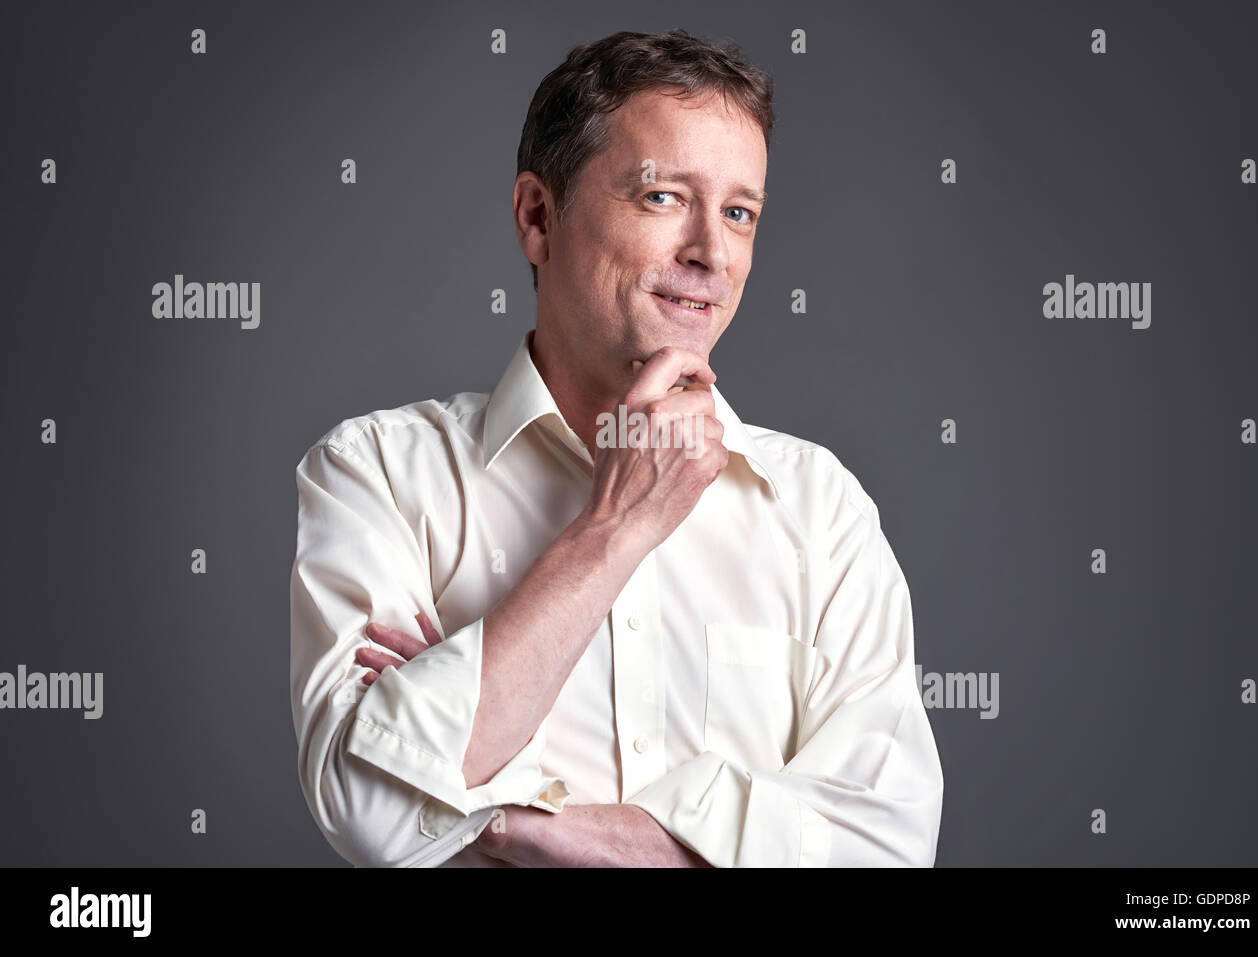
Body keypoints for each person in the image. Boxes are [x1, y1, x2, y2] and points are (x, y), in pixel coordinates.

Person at [289, 28, 943, 867]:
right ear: (537, 216)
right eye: (664, 196)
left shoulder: (823, 509)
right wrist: (616, 528)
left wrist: (509, 813)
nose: (710, 251)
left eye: (740, 212)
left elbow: (886, 844)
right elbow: (372, 807)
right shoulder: (375, 473)